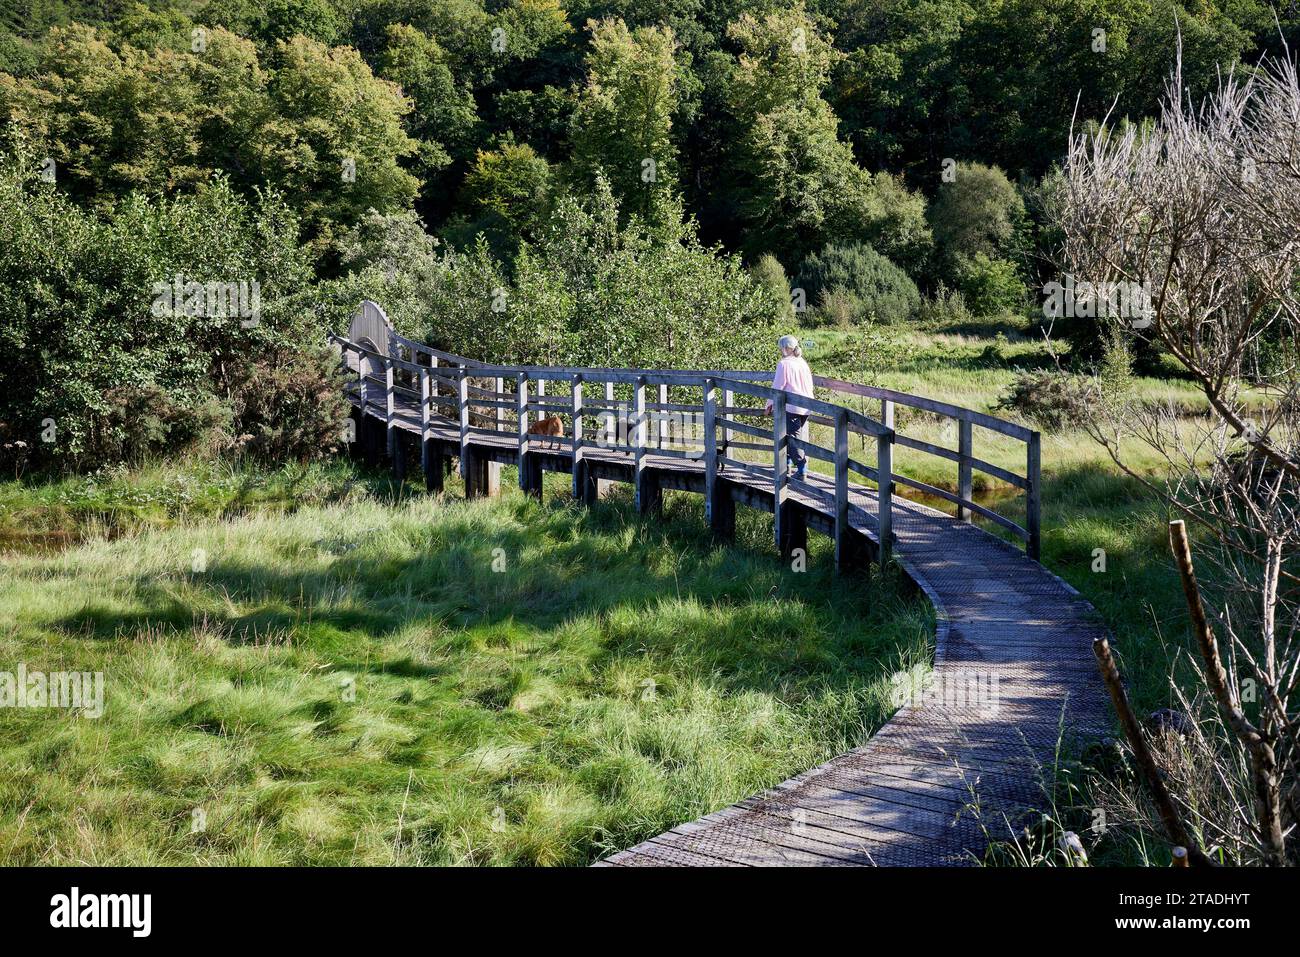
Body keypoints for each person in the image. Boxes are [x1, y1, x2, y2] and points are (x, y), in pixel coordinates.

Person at [764, 334, 815, 481]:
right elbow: (810, 385)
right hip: (806, 406)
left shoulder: (784, 364)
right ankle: (786, 465)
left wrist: (769, 404)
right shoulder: (803, 363)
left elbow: (777, 386)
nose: (780, 351)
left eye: (781, 348)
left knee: (792, 438)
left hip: (792, 407)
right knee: (790, 437)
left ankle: (801, 469)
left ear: (786, 348)